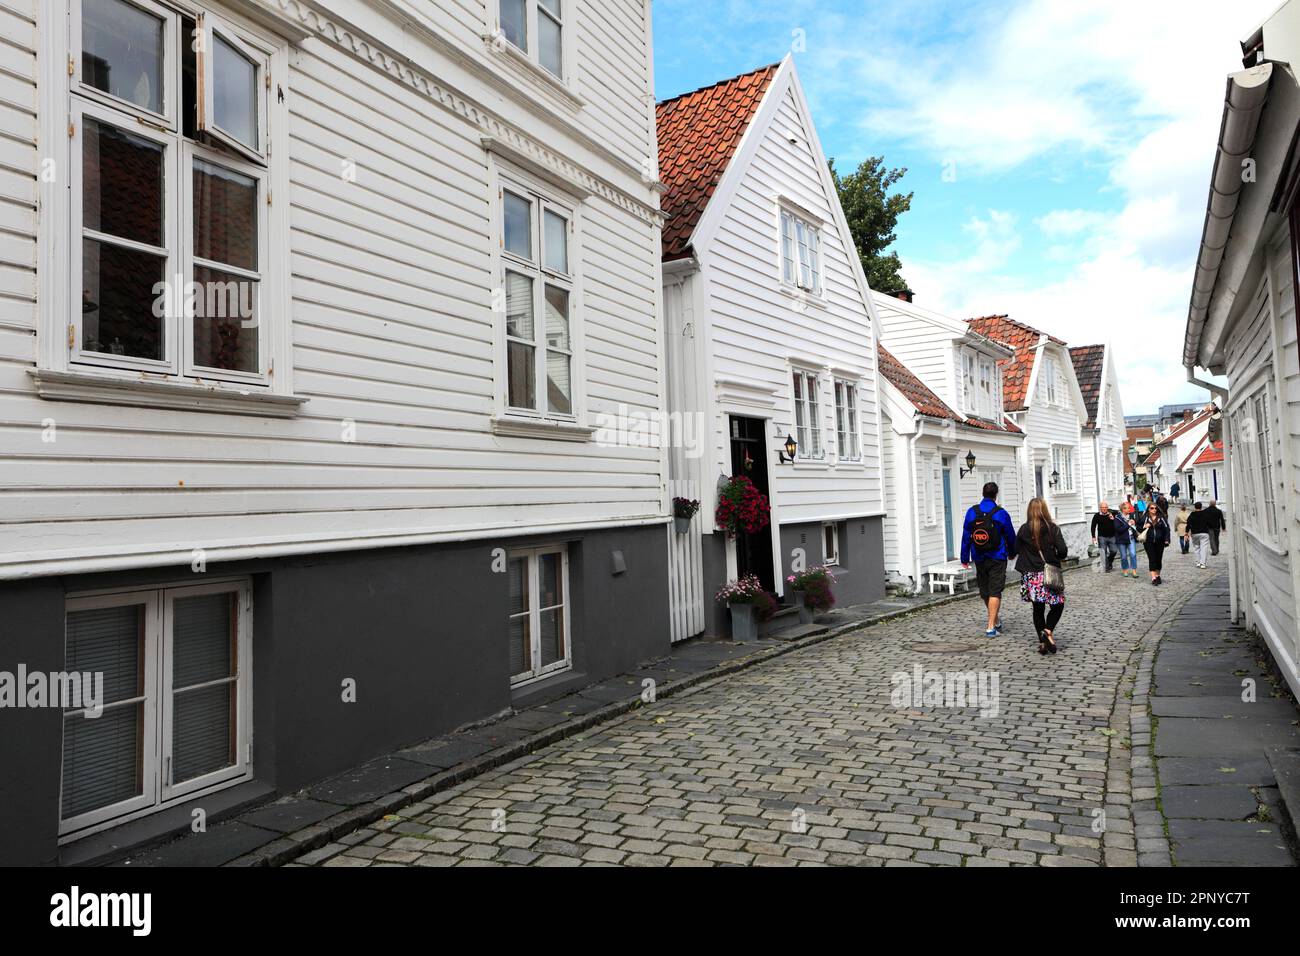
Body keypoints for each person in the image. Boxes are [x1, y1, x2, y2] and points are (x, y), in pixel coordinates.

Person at [961, 481, 1018, 637]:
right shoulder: (1001, 513)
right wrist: (1013, 552)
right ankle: (991, 627)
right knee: (995, 591)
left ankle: (995, 620)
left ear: (983, 494)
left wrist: (964, 558)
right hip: (997, 557)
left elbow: (966, 536)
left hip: (979, 556)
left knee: (985, 591)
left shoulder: (971, 512)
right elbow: (1010, 536)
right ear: (996, 495)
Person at [1015, 498, 1068, 655]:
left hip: (1031, 575)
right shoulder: (1052, 528)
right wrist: (1055, 555)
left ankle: (1043, 641)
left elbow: (1016, 549)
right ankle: (1048, 631)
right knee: (1058, 605)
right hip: (1048, 574)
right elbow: (1063, 551)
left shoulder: (1024, 529)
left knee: (1037, 609)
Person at [1144, 505, 1171, 585]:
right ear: (1148, 509)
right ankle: (1153, 578)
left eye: (1155, 508)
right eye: (1152, 508)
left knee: (1158, 559)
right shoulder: (1145, 518)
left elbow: (1167, 529)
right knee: (1152, 559)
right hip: (1148, 542)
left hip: (1160, 542)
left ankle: (1158, 575)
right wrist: (1144, 526)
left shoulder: (1161, 518)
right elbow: (1138, 527)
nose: (1154, 510)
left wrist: (1167, 539)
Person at [1091, 501, 1118, 572]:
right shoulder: (1097, 515)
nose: (1104, 509)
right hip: (1102, 537)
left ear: (1107, 508)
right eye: (1102, 507)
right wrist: (1093, 536)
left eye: (1105, 507)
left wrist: (1112, 518)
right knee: (1103, 552)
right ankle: (1106, 567)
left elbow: (1118, 512)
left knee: (1114, 551)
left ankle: (1109, 561)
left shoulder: (1112, 514)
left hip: (1112, 536)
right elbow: (1093, 526)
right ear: (1100, 508)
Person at [1113, 509, 1138, 577]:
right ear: (1123, 509)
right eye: (1127, 508)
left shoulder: (1131, 516)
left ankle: (1134, 571)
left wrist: (1134, 523)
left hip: (1131, 538)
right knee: (1124, 556)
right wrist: (1128, 524)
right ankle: (1125, 570)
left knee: (1133, 554)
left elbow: (1135, 526)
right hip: (1121, 540)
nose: (1129, 509)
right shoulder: (1117, 518)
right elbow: (1119, 529)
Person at [1187, 502, 1212, 569]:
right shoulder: (1205, 514)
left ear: (1195, 507)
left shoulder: (1192, 515)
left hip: (1195, 533)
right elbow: (1209, 523)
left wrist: (1186, 532)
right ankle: (1203, 563)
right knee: (1203, 548)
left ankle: (1198, 562)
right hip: (1204, 533)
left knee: (1196, 548)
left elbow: (1188, 524)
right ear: (1201, 507)